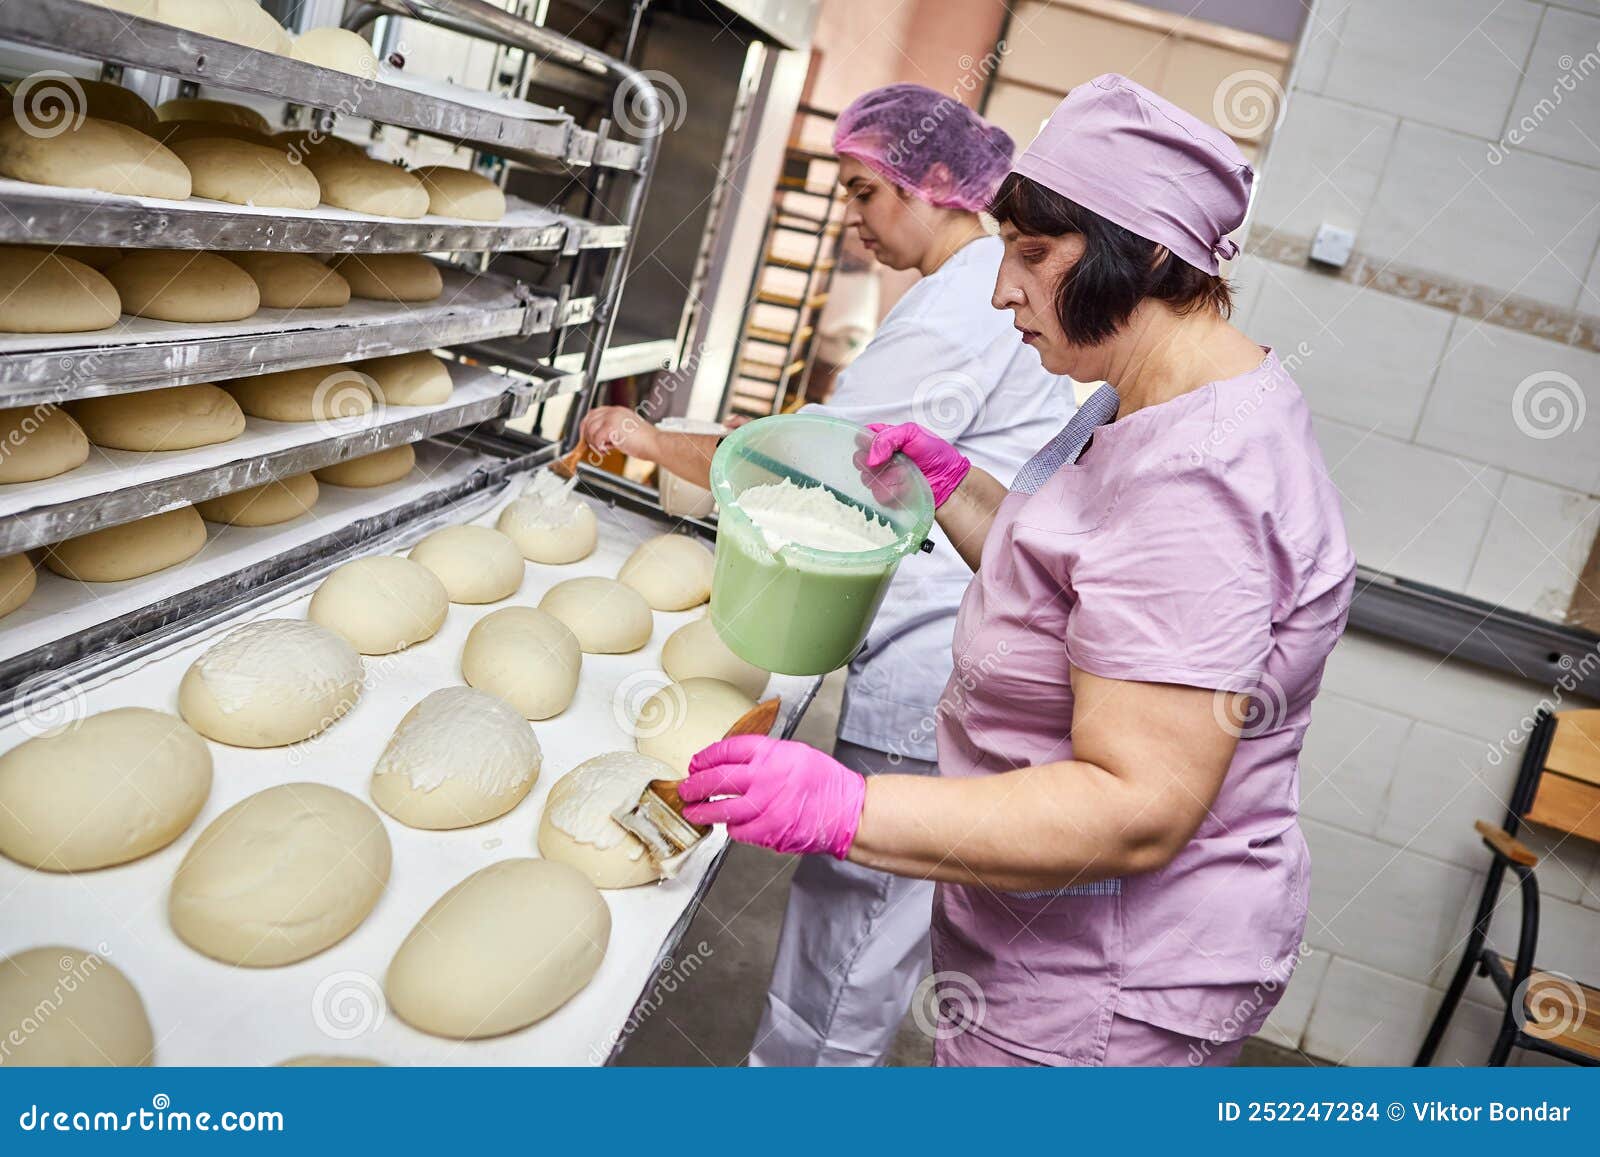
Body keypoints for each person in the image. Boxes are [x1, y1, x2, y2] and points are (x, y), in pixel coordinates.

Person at [677, 74, 1356, 1067]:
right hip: (1048, 940)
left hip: (1105, 983)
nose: (1003, 290)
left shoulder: (1201, 479)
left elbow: (1133, 807)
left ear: (1149, 251)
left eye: (1032, 256)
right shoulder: (1144, 398)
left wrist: (847, 807)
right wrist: (952, 485)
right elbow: (1074, 586)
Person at [581, 84, 1075, 1066]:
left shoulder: (965, 302)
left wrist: (649, 436)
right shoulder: (966, 289)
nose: (851, 220)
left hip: (935, 656)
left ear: (935, 186)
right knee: (858, 922)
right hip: (948, 637)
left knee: (850, 935)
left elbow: (825, 464)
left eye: (862, 192)